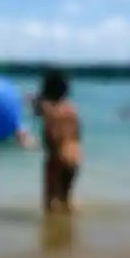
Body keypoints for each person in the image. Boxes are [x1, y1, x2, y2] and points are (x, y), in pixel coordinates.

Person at [34, 70, 81, 213]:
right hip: (74, 157)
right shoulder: (72, 109)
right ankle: (67, 227)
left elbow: (36, 110)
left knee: (49, 202)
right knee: (66, 199)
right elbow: (77, 135)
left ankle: (53, 230)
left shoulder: (47, 108)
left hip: (56, 157)